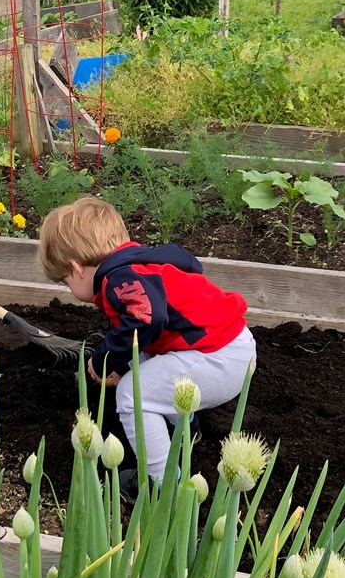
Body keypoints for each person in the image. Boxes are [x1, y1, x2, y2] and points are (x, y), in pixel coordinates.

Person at [37, 196, 255, 483]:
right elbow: (156, 321)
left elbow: (145, 319)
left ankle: (161, 484)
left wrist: (105, 360)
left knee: (131, 395)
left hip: (217, 358)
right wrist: (123, 362)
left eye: (66, 281)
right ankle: (186, 428)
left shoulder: (118, 279)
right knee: (145, 357)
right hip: (230, 344)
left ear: (76, 268)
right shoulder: (144, 264)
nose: (70, 288)